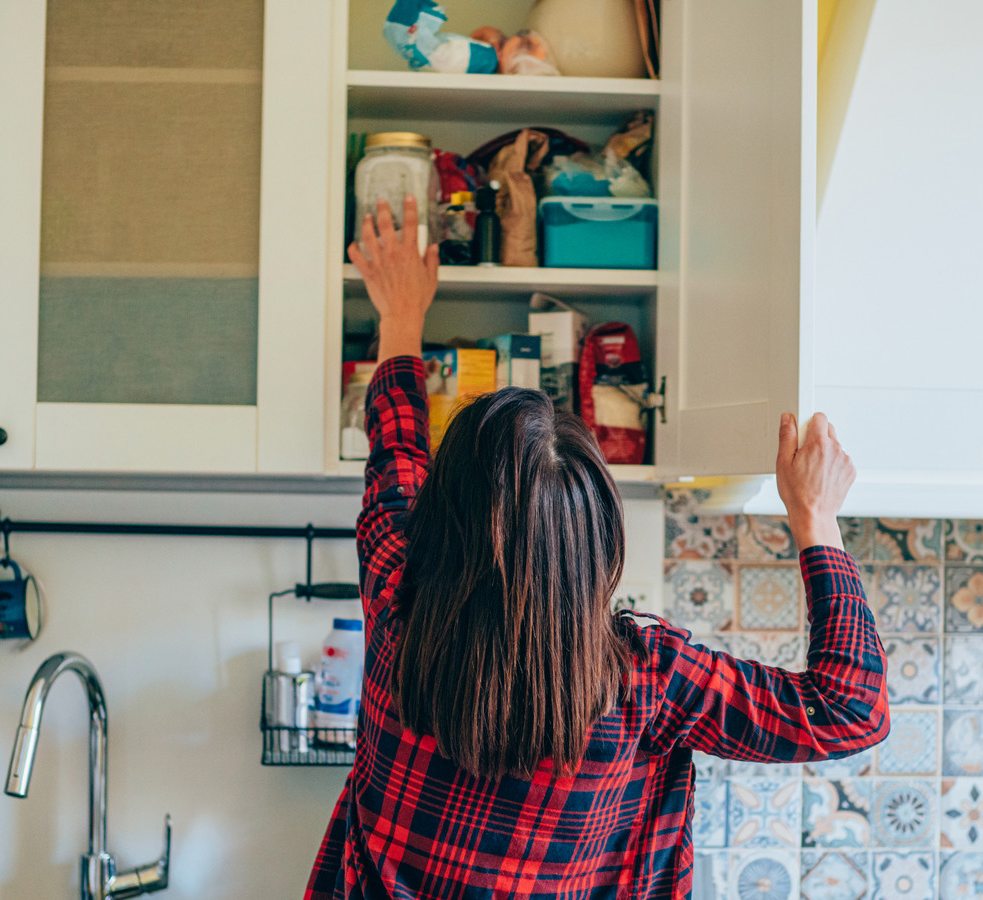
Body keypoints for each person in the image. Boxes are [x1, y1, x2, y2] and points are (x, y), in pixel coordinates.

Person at [306, 197, 889, 899]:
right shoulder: (649, 679)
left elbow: (397, 449)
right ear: (599, 542)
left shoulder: (397, 590)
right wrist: (815, 518)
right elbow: (849, 712)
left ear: (442, 514)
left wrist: (400, 318)